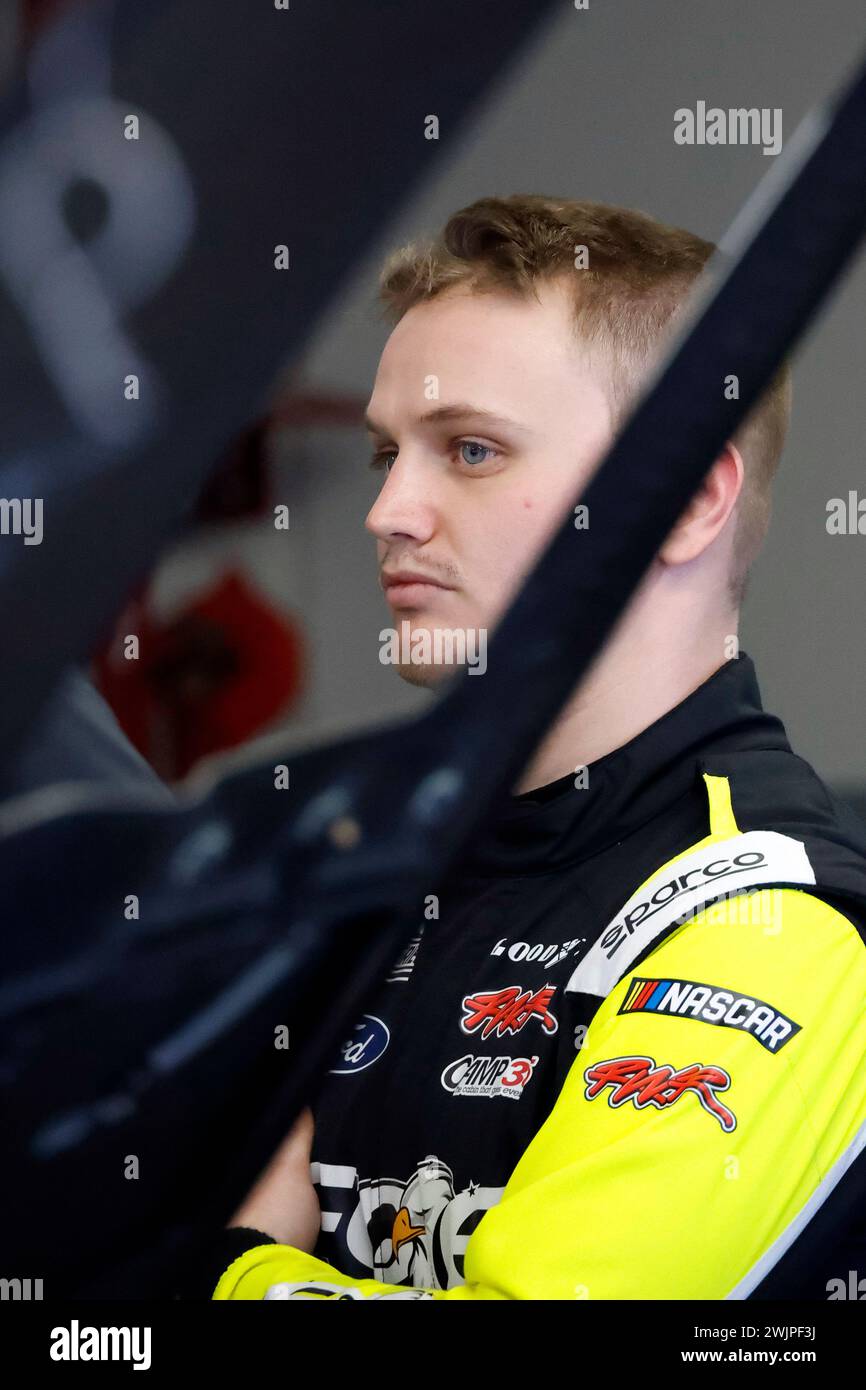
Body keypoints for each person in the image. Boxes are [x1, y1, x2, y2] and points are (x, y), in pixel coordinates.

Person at [198, 196, 866, 1299]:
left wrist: (221, 1271)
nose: (388, 510)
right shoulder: (359, 884)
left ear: (687, 501)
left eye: (468, 449)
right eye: (383, 454)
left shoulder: (766, 926)